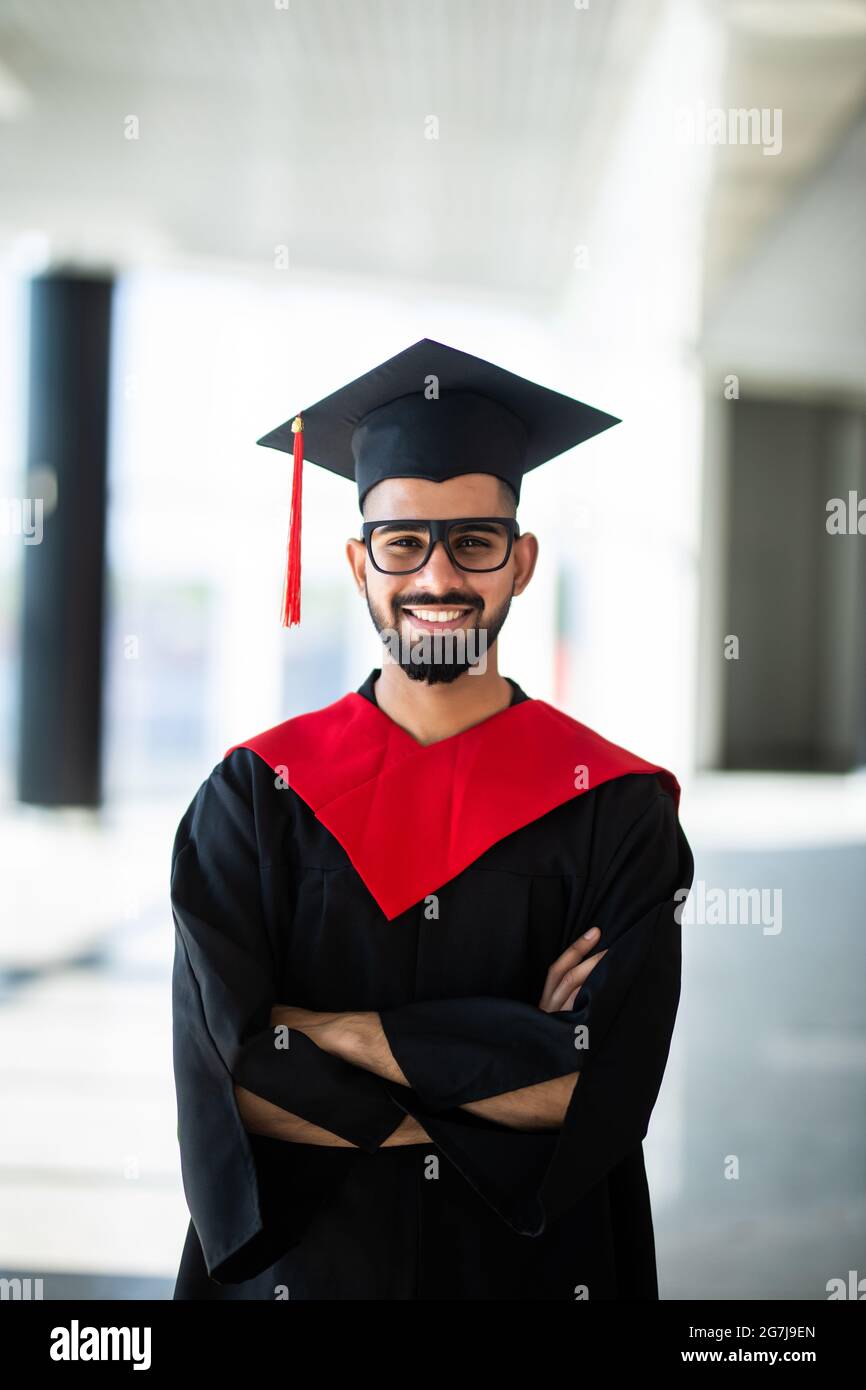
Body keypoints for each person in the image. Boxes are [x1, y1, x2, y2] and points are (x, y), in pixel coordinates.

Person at [170, 337, 694, 1300]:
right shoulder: (251, 801)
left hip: (536, 1274)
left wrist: (332, 1034)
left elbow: (599, 1090)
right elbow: (234, 1084)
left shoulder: (617, 809)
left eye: (476, 541)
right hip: (310, 1273)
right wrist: (502, 1065)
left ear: (522, 561)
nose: (438, 578)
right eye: (403, 542)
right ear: (358, 563)